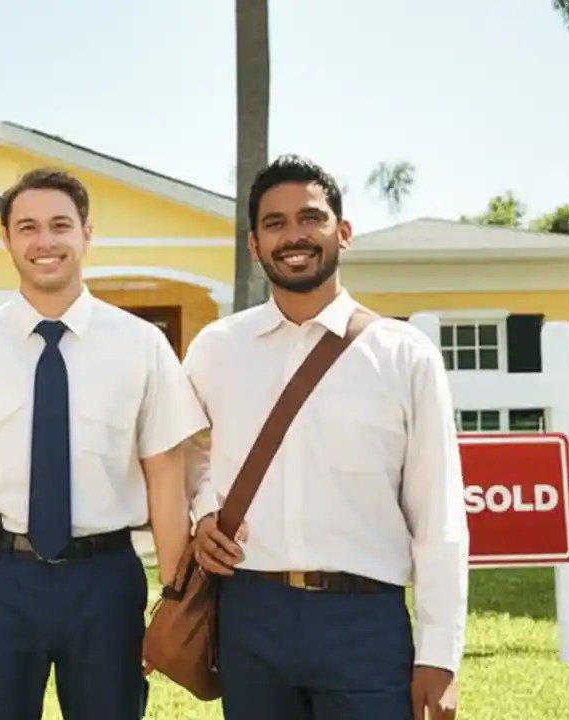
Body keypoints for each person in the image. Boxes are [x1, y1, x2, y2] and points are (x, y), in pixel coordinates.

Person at [0, 167, 203, 719]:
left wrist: (174, 606)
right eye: (28, 228)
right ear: (7, 239)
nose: (45, 242)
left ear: (87, 233)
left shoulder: (142, 345)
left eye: (60, 225)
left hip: (106, 583)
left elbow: (166, 481)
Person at [185, 154, 466, 720]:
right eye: (275, 223)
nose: (294, 236)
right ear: (254, 246)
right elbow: (187, 456)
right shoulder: (215, 349)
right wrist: (200, 515)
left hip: (365, 620)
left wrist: (440, 654)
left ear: (342, 232)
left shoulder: (404, 354)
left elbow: (439, 514)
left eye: (310, 218)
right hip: (250, 614)